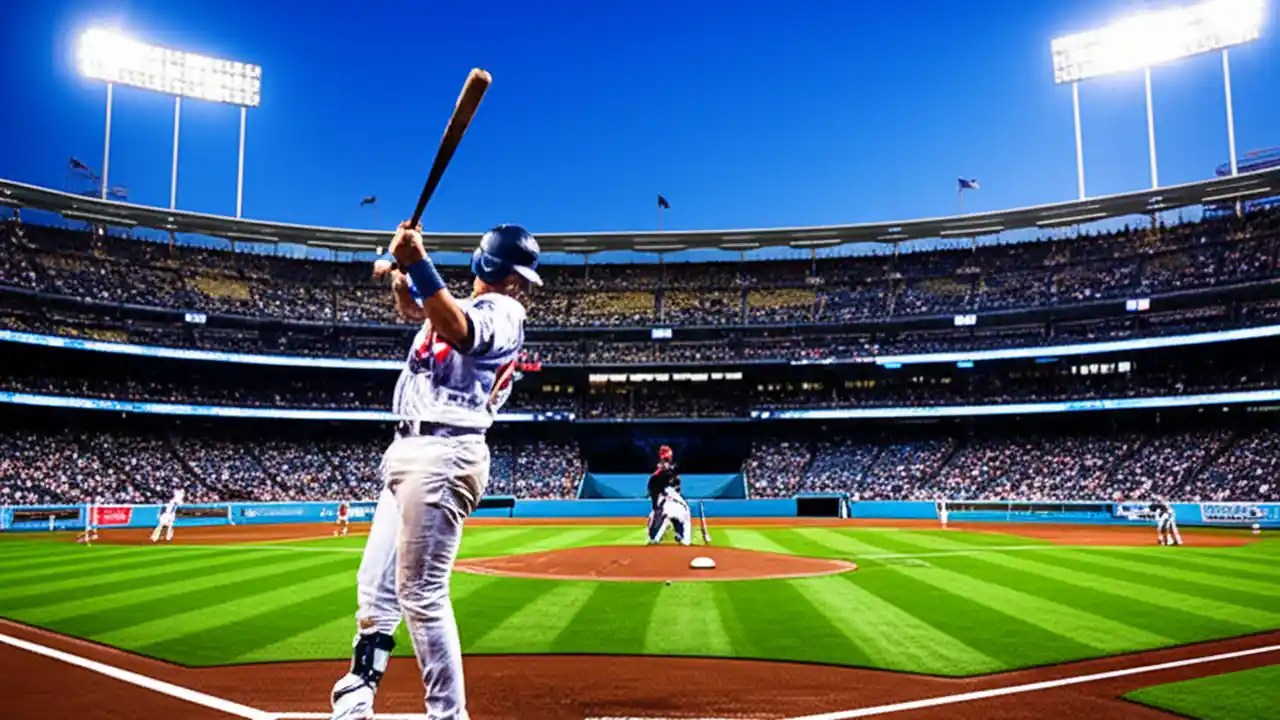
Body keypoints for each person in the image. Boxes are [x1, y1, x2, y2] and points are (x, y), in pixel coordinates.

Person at [329, 222, 539, 720]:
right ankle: (358, 692)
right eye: (517, 274)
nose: (521, 285)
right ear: (497, 268)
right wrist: (403, 278)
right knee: (375, 588)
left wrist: (417, 261)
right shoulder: (462, 304)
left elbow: (459, 331)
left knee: (421, 593)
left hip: (445, 452)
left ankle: (449, 715)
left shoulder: (505, 313)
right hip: (410, 448)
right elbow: (419, 311)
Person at [646, 445, 680, 544]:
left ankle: (677, 534)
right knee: (657, 515)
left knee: (667, 515)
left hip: (667, 496)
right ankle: (655, 537)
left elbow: (676, 483)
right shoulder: (660, 468)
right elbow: (653, 484)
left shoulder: (672, 468)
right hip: (660, 494)